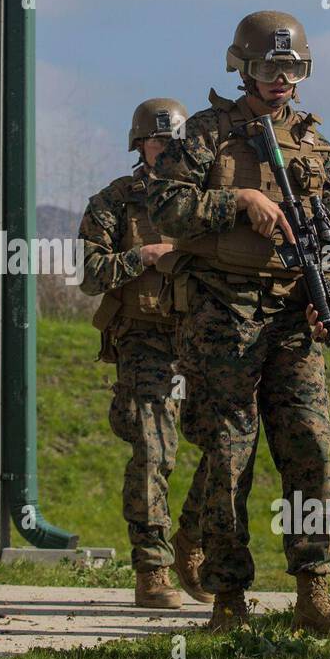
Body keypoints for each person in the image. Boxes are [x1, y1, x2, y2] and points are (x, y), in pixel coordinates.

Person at [146, 11, 330, 637]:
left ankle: (313, 593)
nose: (282, 80)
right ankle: (228, 601)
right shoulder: (208, 135)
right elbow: (164, 207)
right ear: (243, 67)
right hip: (222, 310)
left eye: (292, 69)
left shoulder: (317, 145)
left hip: (295, 313)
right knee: (228, 456)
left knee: (309, 452)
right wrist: (237, 201)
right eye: (270, 68)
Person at [79, 97, 211, 608]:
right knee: (154, 451)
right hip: (145, 338)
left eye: (174, 142)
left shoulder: (203, 200)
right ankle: (152, 570)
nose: (165, 150)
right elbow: (90, 274)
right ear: (139, 145)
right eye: (156, 141)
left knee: (228, 444)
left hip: (204, 338)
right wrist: (143, 256)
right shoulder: (115, 201)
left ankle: (192, 543)